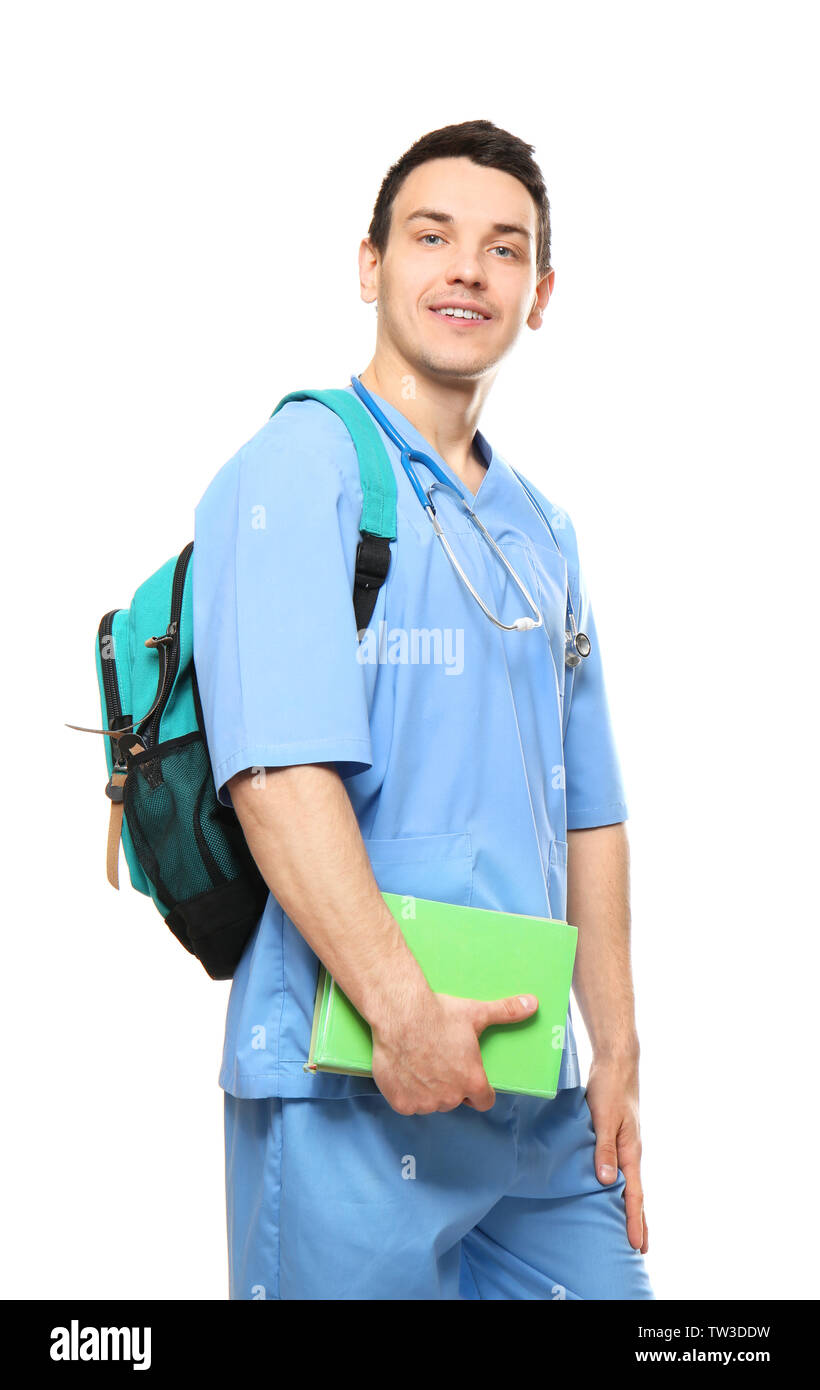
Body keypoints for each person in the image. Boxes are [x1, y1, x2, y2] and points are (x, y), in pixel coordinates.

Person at [192, 119, 653, 1301]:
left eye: (504, 249)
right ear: (369, 265)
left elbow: (590, 812)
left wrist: (617, 1054)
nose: (466, 268)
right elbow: (275, 779)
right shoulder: (302, 467)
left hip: (529, 1090)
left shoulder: (543, 532)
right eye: (431, 235)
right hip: (353, 1078)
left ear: (537, 293)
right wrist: (402, 1017)